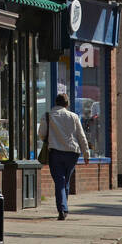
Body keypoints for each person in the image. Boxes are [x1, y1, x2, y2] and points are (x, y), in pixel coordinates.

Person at [38, 92, 90, 220]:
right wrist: (86, 154)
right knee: (65, 181)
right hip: (72, 153)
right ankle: (64, 208)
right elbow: (81, 136)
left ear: (55, 102)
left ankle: (62, 209)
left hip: (55, 152)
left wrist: (50, 138)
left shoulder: (47, 116)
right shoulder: (73, 116)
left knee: (60, 182)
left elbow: (42, 134)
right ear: (67, 104)